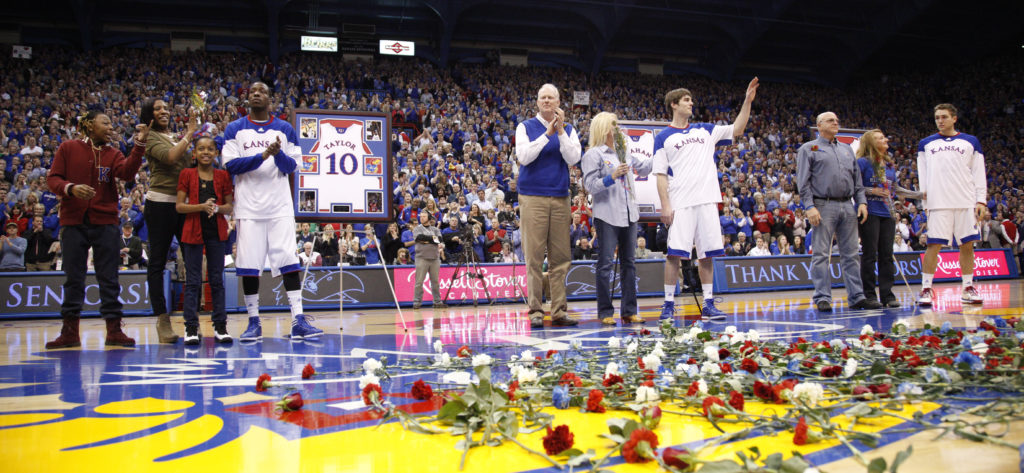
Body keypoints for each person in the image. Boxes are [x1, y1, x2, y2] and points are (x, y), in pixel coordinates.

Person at [223, 82, 323, 340]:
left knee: (289, 263)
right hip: (248, 208)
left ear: (270, 99)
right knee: (248, 267)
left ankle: (298, 320)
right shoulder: (235, 129)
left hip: (279, 207)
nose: (256, 93)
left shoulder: (285, 128)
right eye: (253, 91)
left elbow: (291, 166)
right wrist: (264, 155)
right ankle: (253, 322)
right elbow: (231, 166)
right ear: (248, 98)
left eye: (262, 91)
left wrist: (277, 155)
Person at [654, 78, 759, 322]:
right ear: (673, 104)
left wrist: (747, 101)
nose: (691, 103)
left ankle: (709, 304)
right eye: (686, 100)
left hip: (707, 201)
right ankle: (668, 304)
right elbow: (660, 176)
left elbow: (738, 128)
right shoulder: (664, 137)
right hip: (680, 202)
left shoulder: (705, 129)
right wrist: (665, 205)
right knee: (674, 255)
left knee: (706, 255)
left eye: (691, 99)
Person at [45, 111, 148, 349]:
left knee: (109, 277)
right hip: (73, 222)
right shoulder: (68, 148)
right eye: (106, 123)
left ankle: (114, 330)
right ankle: (69, 332)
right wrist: (70, 188)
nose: (111, 127)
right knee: (73, 278)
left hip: (105, 222)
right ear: (90, 125)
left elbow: (127, 173)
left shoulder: (113, 153)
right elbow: (53, 179)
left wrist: (139, 144)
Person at [797, 112, 880, 312]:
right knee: (821, 254)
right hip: (823, 205)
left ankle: (857, 297)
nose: (836, 122)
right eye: (830, 120)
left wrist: (861, 202)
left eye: (836, 120)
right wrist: (809, 206)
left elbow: (857, 180)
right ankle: (823, 296)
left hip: (848, 205)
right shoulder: (809, 148)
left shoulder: (846, 149)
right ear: (819, 125)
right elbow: (803, 182)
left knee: (851, 254)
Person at [515, 84, 581, 328]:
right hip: (532, 196)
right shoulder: (525, 127)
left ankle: (559, 310)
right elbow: (524, 157)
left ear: (558, 102)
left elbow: (574, 158)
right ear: (537, 102)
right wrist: (547, 135)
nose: (547, 101)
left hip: (560, 196)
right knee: (533, 256)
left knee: (561, 257)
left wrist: (561, 131)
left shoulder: (569, 129)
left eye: (551, 98)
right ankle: (535, 310)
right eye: (543, 97)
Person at [581, 112, 653, 325]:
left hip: (630, 213)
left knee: (629, 263)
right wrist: (610, 177)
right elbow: (590, 186)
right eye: (615, 125)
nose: (618, 129)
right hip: (607, 216)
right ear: (604, 129)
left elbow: (644, 166)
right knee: (605, 264)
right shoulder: (593, 154)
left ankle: (629, 310)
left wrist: (662, 152)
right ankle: (605, 312)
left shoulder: (625, 151)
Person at [916, 104, 987, 306]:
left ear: (954, 118)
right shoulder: (925, 144)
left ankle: (967, 287)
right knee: (933, 245)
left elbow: (978, 172)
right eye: (937, 117)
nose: (940, 120)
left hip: (965, 201)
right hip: (938, 203)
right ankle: (927, 288)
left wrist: (980, 200)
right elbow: (923, 175)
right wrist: (925, 203)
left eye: (944, 117)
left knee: (967, 246)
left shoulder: (970, 141)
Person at [142, 97, 198, 343]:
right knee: (157, 262)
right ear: (149, 115)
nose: (164, 111)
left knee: (191, 259)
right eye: (158, 109)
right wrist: (190, 133)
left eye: (166, 107)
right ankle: (162, 319)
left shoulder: (176, 136)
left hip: (182, 205)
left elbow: (187, 162)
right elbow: (171, 158)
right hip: (159, 205)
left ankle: (191, 319)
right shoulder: (150, 136)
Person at [176, 135, 234, 345]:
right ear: (195, 153)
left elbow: (229, 206)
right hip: (192, 232)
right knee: (192, 282)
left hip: (216, 233)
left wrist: (216, 208)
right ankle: (191, 328)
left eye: (210, 148)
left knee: (217, 281)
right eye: (201, 148)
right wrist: (201, 206)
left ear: (216, 153)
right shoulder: (187, 174)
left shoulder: (223, 176)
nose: (206, 152)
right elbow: (179, 206)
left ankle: (220, 326)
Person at [855, 129, 900, 308]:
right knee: (869, 255)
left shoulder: (889, 165)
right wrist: (871, 191)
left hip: (887, 213)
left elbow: (895, 189)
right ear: (871, 143)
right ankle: (869, 295)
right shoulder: (863, 163)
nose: (885, 139)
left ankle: (888, 295)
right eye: (880, 138)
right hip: (869, 212)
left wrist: (920, 195)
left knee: (887, 256)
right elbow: (855, 186)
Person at [412, 212, 446, 309]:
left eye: (424, 216)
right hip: (421, 257)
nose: (421, 218)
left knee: (435, 282)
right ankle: (417, 302)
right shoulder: (417, 229)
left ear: (429, 218)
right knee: (419, 282)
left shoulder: (435, 229)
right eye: (421, 216)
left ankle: (437, 301)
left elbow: (439, 239)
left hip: (435, 258)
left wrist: (427, 240)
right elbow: (419, 238)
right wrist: (432, 240)